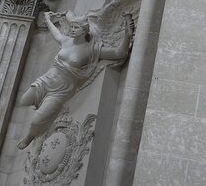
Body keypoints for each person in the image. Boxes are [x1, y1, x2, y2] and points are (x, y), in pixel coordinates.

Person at [16, 10, 132, 150]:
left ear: (84, 31)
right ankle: (47, 116)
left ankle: (30, 135)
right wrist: (47, 19)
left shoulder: (91, 50)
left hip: (60, 91)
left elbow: (118, 53)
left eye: (76, 28)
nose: (72, 30)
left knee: (36, 120)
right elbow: (56, 34)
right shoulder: (66, 40)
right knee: (24, 101)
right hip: (46, 80)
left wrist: (127, 33)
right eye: (72, 27)